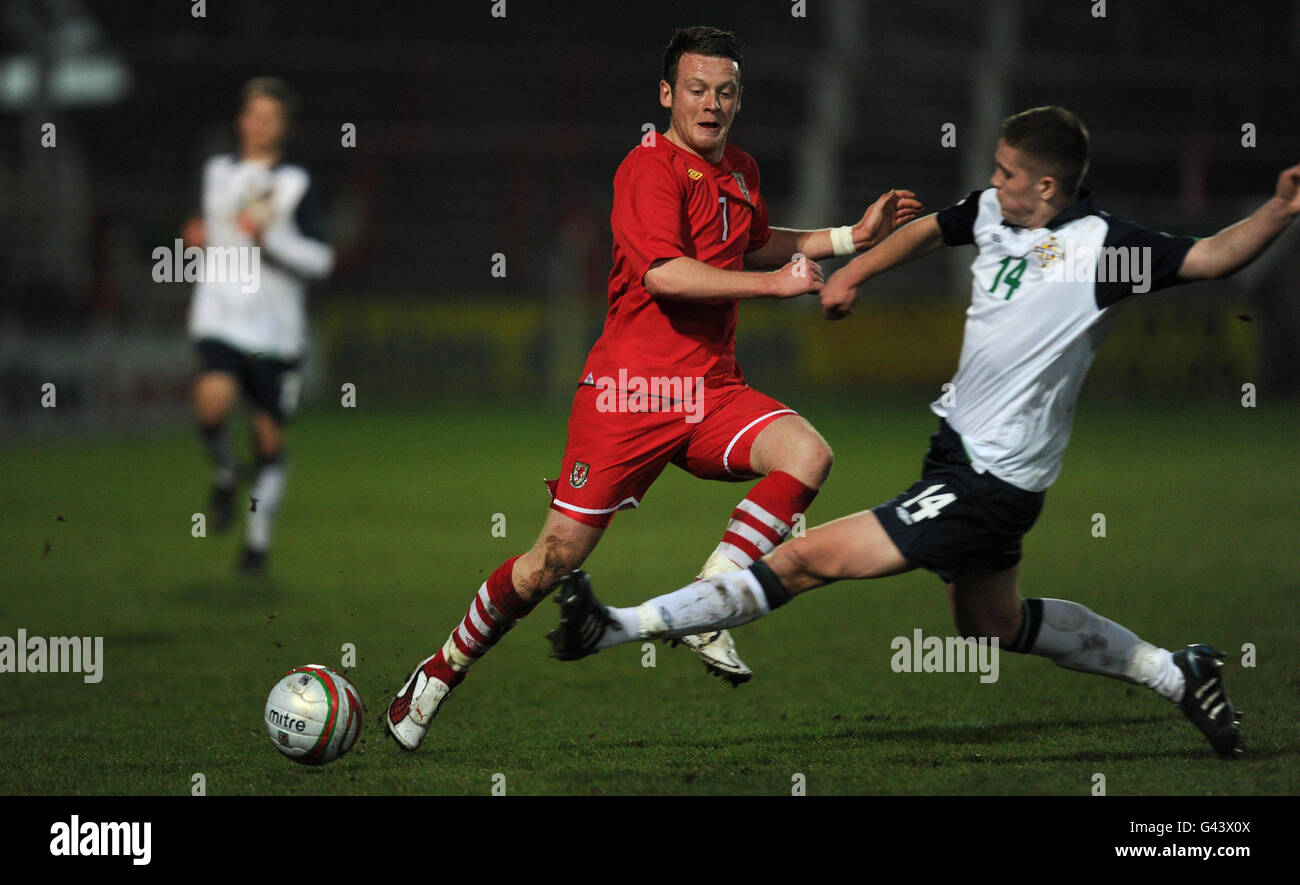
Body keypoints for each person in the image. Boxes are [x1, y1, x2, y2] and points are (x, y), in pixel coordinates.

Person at [549, 106, 1300, 760]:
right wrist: (853, 273)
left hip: (987, 483)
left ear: (1047, 185)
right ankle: (1179, 673)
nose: (995, 183)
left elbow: (1208, 258)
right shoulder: (996, 214)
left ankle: (613, 625)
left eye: (1009, 173)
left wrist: (1278, 211)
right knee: (990, 620)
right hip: (961, 456)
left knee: (810, 557)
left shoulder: (1103, 249)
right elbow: (935, 229)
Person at [385, 25, 920, 751]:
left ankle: (706, 604)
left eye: (726, 91)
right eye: (697, 89)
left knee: (807, 453)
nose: (712, 103)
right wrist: (775, 287)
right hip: (628, 397)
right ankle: (441, 670)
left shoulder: (740, 169)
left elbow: (755, 238)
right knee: (554, 561)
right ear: (667, 94)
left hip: (710, 392)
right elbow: (665, 273)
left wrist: (849, 237)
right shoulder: (648, 168)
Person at [184, 77, 334, 575]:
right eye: (255, 114)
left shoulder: (296, 184)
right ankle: (227, 471)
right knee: (212, 399)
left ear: (284, 127)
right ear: (241, 120)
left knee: (269, 439)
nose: (261, 123)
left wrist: (271, 240)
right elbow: (205, 228)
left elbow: (320, 260)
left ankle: (257, 541)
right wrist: (196, 238)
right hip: (220, 317)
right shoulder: (216, 173)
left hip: (276, 331)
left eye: (272, 116)